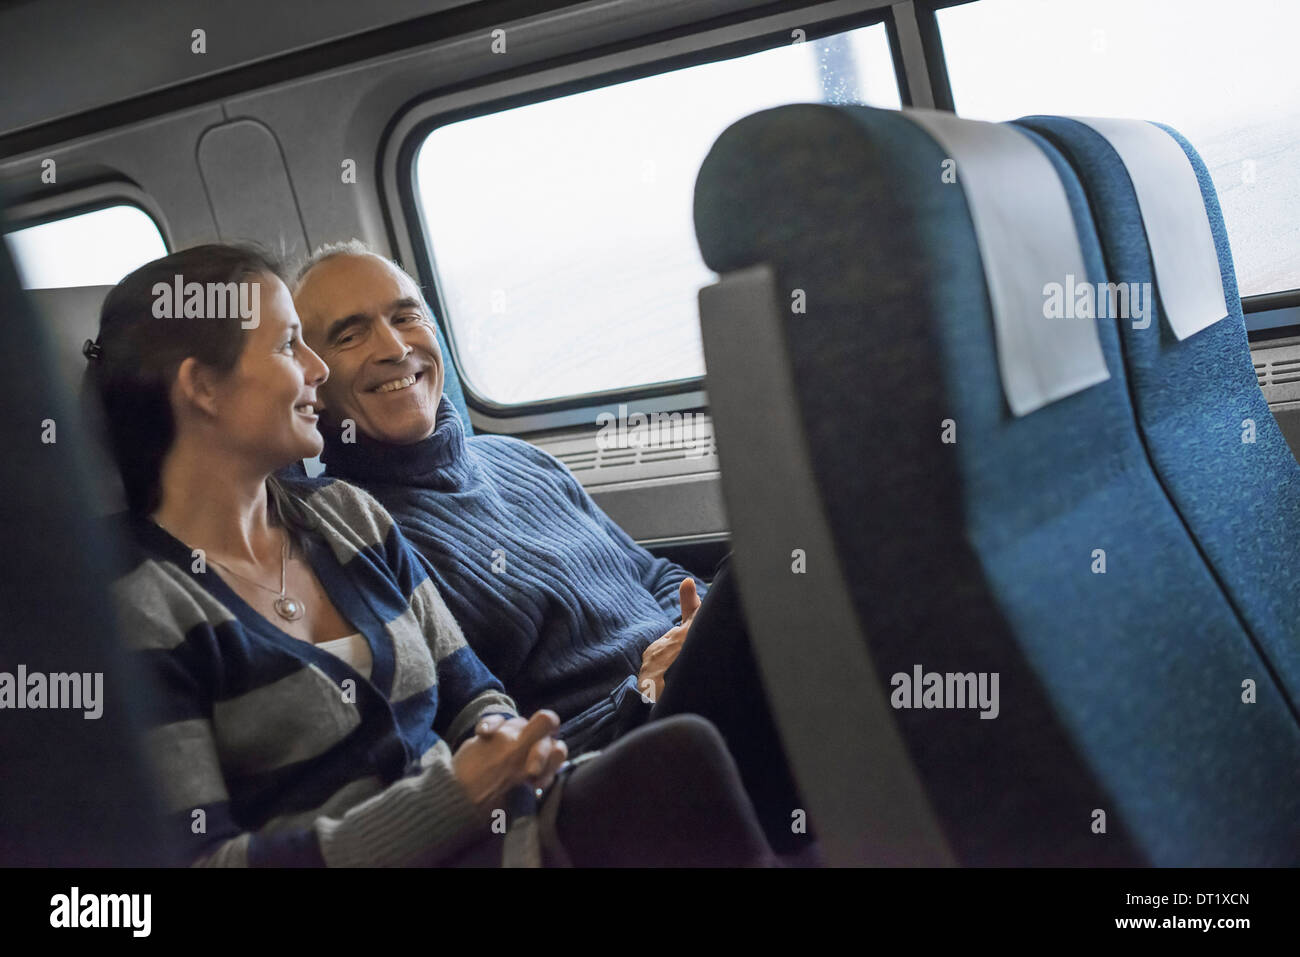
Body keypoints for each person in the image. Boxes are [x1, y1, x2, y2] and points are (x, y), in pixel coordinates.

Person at [85, 243, 776, 867]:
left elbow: (474, 693)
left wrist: (512, 751)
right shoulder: (140, 608)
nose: (316, 372)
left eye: (404, 316)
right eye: (293, 345)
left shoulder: (345, 517)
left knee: (699, 735)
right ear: (203, 387)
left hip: (502, 825)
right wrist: (459, 797)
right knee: (695, 731)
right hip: (464, 831)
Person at [292, 240, 816, 858]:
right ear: (314, 379)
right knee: (778, 567)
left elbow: (651, 574)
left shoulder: (518, 458)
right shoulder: (358, 538)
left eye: (406, 316)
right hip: (612, 752)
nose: (394, 347)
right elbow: (476, 741)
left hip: (688, 686)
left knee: (801, 557)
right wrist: (644, 688)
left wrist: (696, 625)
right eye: (351, 335)